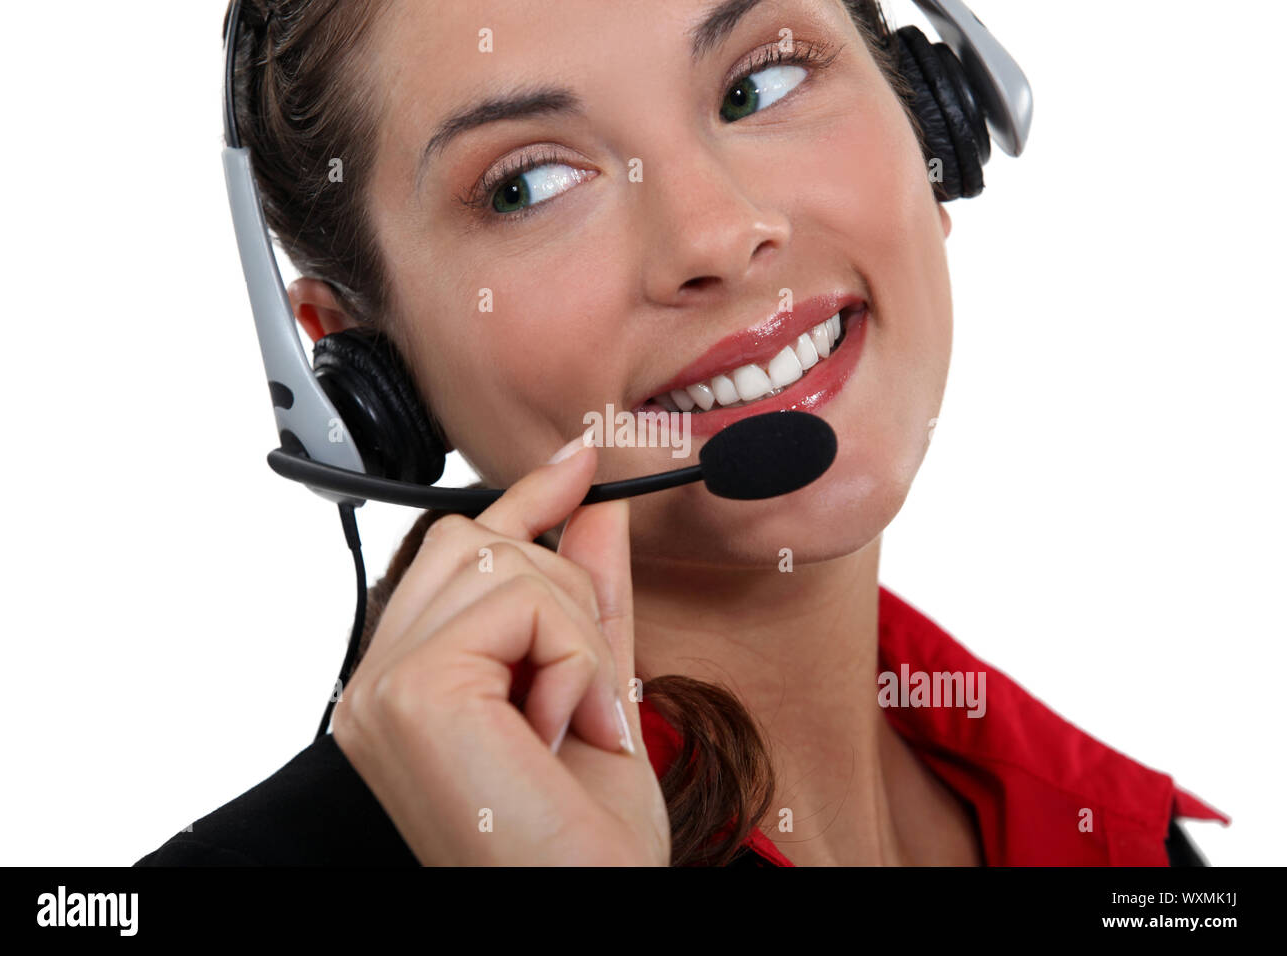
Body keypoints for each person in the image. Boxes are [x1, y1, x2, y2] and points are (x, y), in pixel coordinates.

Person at [137, 0, 1227, 866]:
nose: (716, 229)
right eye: (528, 184)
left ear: (936, 120)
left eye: (761, 82)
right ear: (369, 385)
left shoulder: (1125, 846)